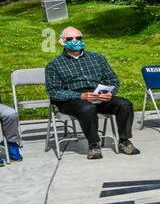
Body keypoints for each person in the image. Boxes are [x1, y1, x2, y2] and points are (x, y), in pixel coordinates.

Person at [44, 26, 140, 159]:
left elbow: (112, 79)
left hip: (98, 94)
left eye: (78, 38)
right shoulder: (54, 64)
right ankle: (93, 145)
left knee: (125, 104)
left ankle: (124, 141)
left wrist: (109, 92)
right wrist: (79, 95)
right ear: (62, 41)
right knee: (87, 108)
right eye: (70, 38)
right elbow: (53, 91)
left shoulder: (97, 58)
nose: (75, 40)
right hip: (72, 99)